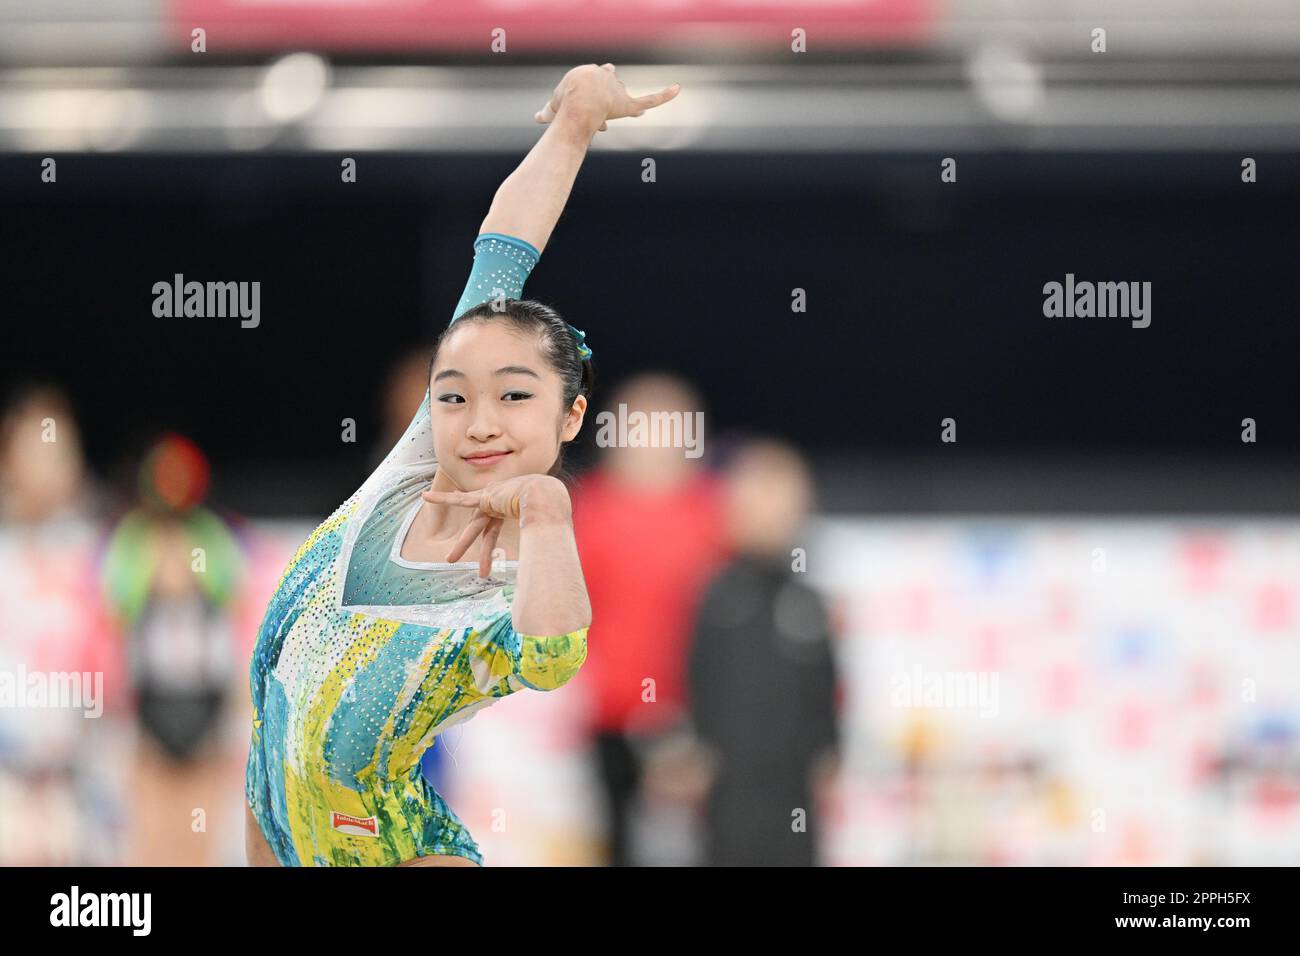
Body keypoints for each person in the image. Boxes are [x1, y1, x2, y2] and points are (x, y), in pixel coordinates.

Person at [244, 64, 680, 867]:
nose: (480, 424)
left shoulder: (517, 576)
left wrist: (546, 509)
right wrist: (574, 124)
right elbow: (503, 249)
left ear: (571, 415)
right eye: (455, 397)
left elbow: (552, 657)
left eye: (516, 399)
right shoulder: (412, 466)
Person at [683, 438, 841, 866]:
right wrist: (691, 746)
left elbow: (828, 685)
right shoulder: (715, 597)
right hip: (728, 782)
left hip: (794, 784)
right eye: (756, 499)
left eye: (781, 501)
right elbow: (695, 676)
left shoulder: (809, 603)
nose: (769, 514)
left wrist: (830, 748)